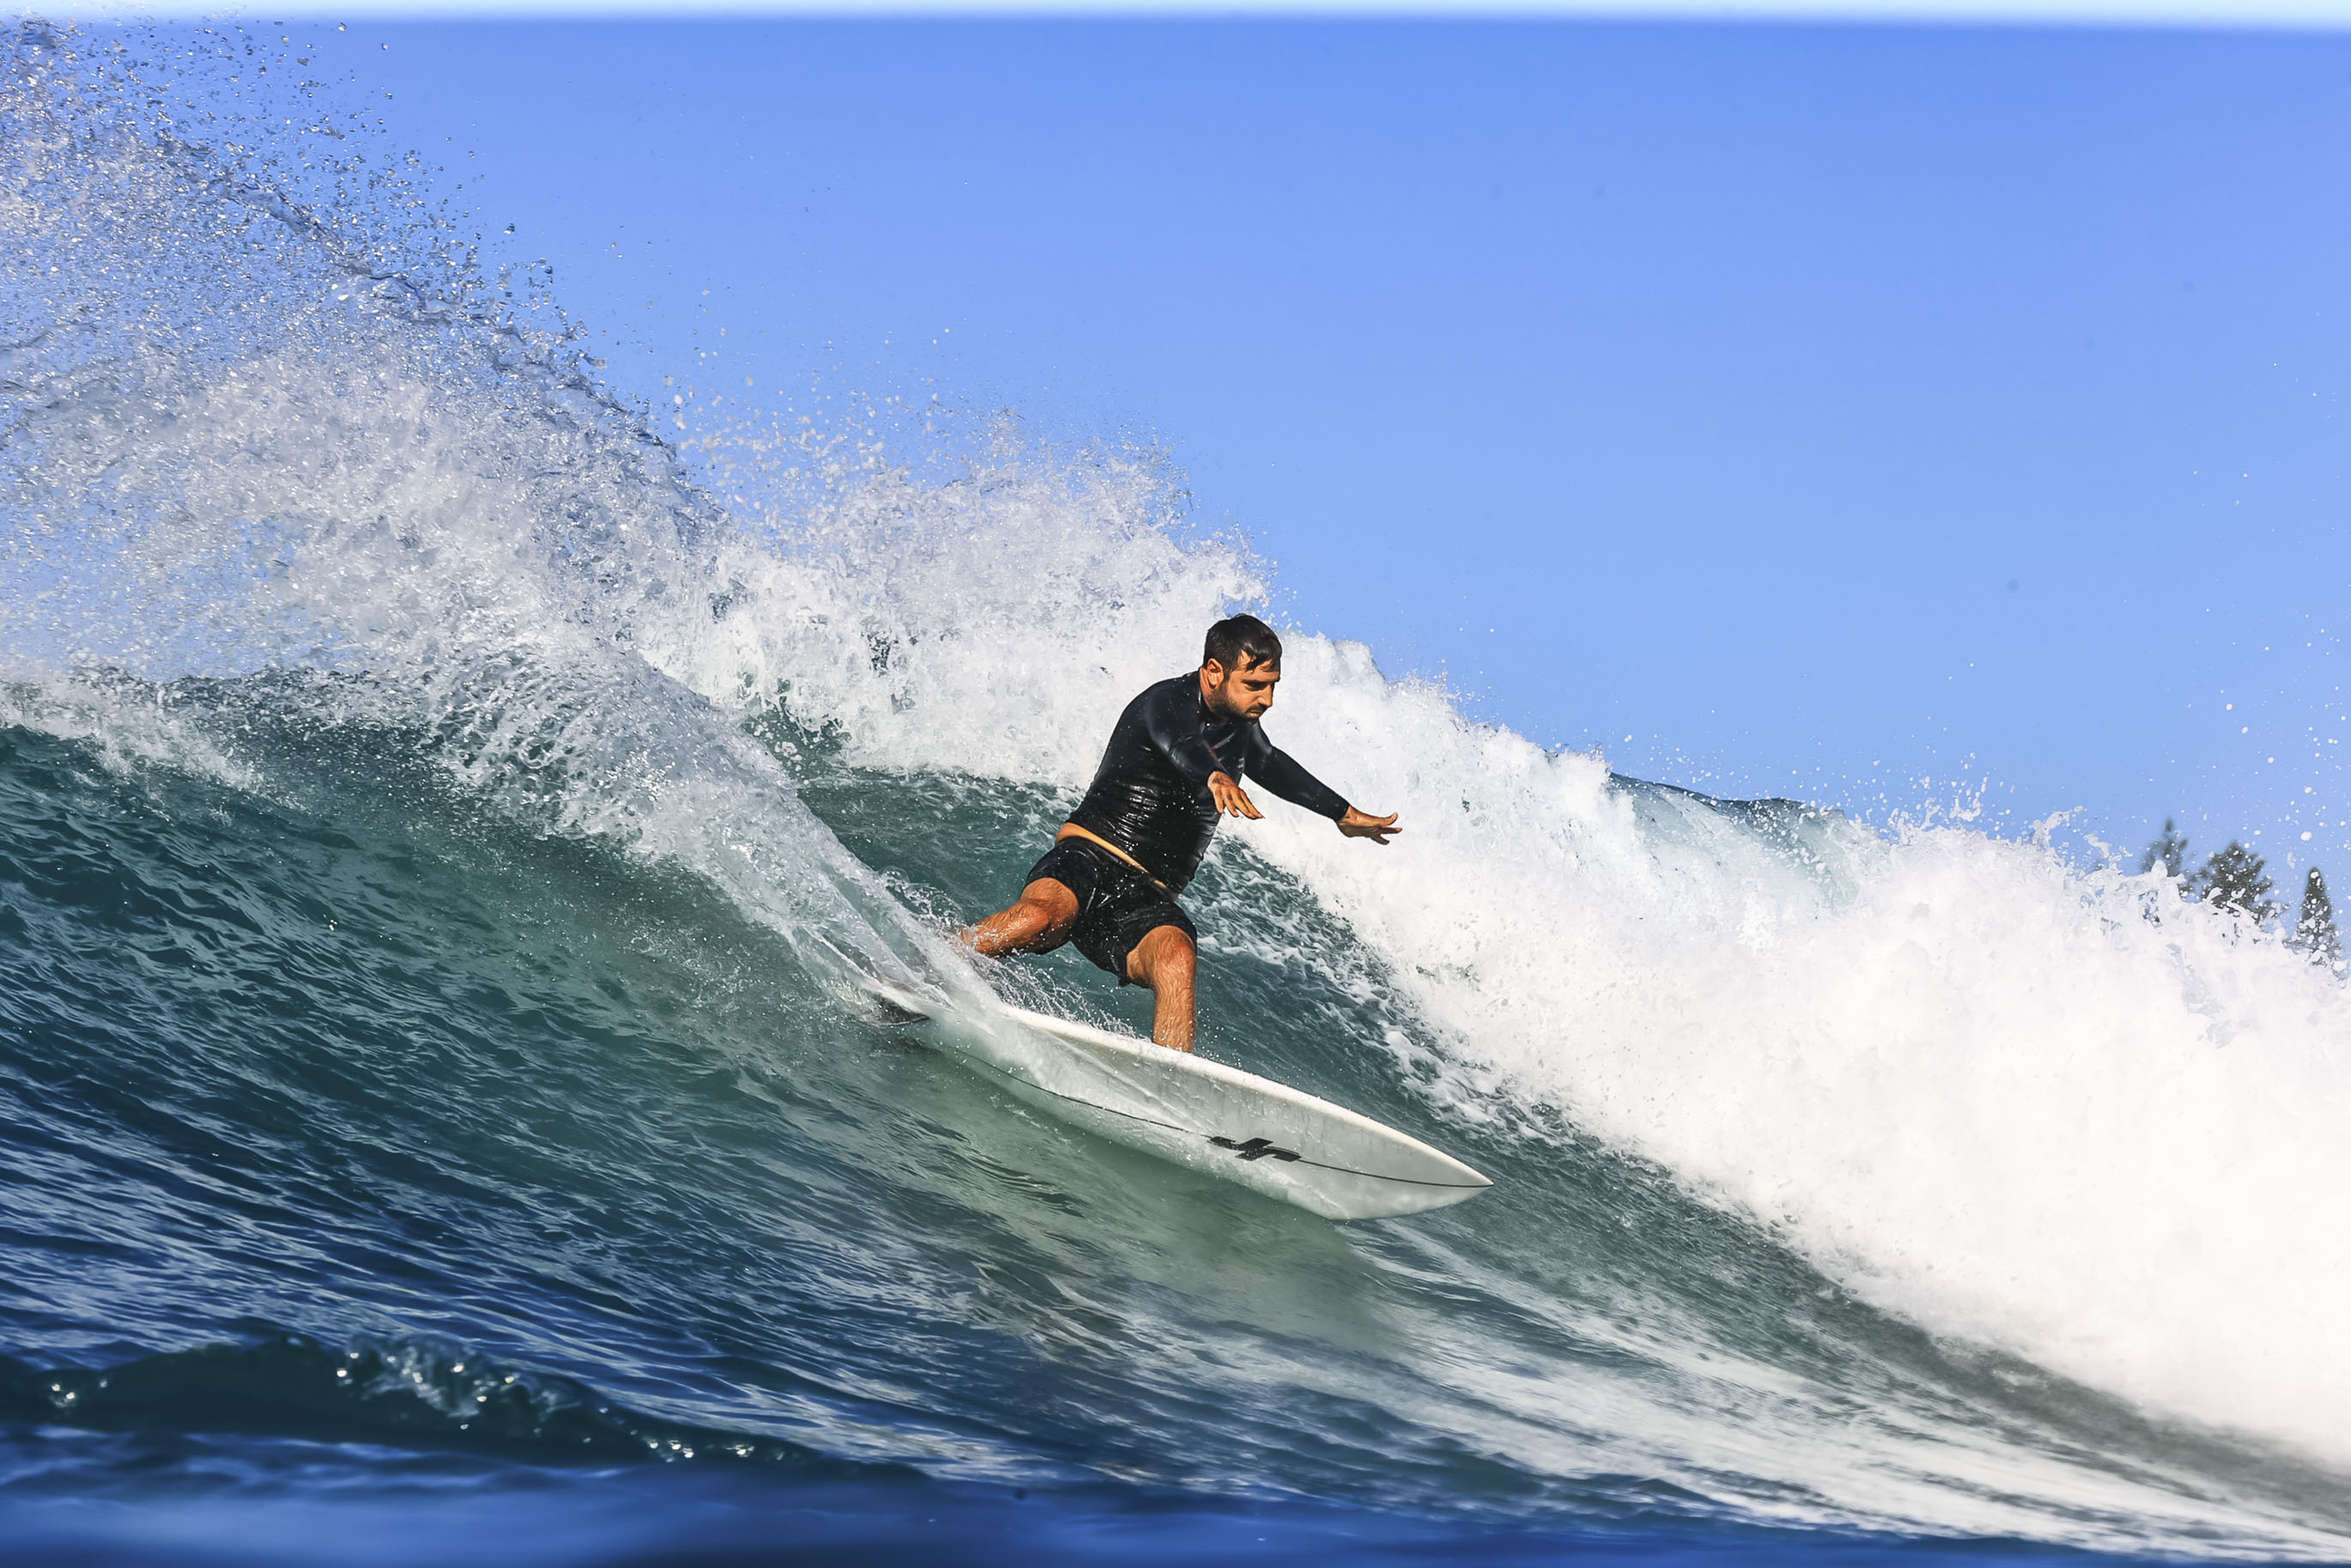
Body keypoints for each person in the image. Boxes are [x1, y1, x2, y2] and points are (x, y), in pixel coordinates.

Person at [957, 615, 1400, 1052]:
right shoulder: (1165, 702)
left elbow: (1273, 766)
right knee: (1040, 919)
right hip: (1088, 856)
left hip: (1145, 894)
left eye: (1272, 686)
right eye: (1255, 685)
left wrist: (1342, 813)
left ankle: (1169, 1084)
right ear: (1213, 671)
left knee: (1175, 958)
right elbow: (1180, 742)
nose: (1267, 700)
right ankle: (941, 961)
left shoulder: (1241, 729)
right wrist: (1214, 776)